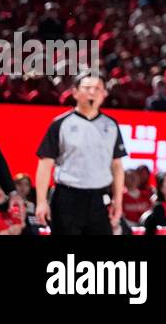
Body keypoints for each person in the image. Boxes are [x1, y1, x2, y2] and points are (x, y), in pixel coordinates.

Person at [34, 72, 127, 235]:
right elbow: (44, 164)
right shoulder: (60, 124)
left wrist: (118, 201)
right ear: (75, 92)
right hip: (67, 197)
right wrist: (41, 202)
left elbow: (117, 166)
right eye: (87, 87)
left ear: (104, 94)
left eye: (98, 88)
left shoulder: (111, 125)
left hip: (99, 198)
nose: (92, 92)